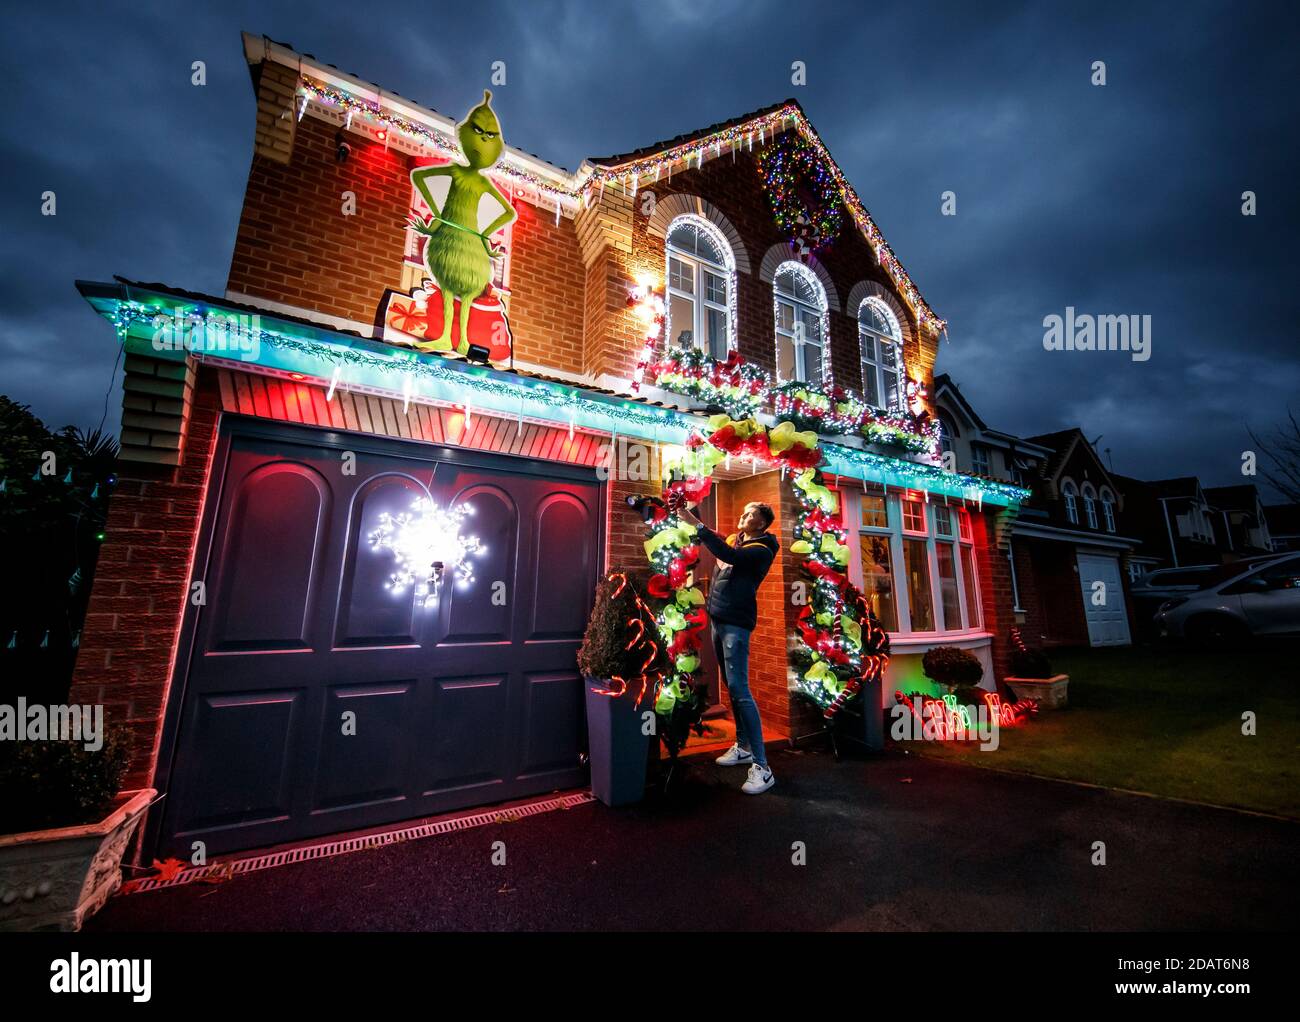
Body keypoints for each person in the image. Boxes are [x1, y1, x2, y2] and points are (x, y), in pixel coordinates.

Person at [677, 500, 779, 795]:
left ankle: (762, 766)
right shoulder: (742, 539)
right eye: (744, 511)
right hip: (719, 620)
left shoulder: (760, 550)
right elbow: (720, 539)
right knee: (731, 685)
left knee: (740, 690)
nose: (743, 516)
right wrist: (689, 517)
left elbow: (727, 553)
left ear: (760, 524)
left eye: (750, 515)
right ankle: (744, 746)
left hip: (736, 623)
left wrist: (696, 525)